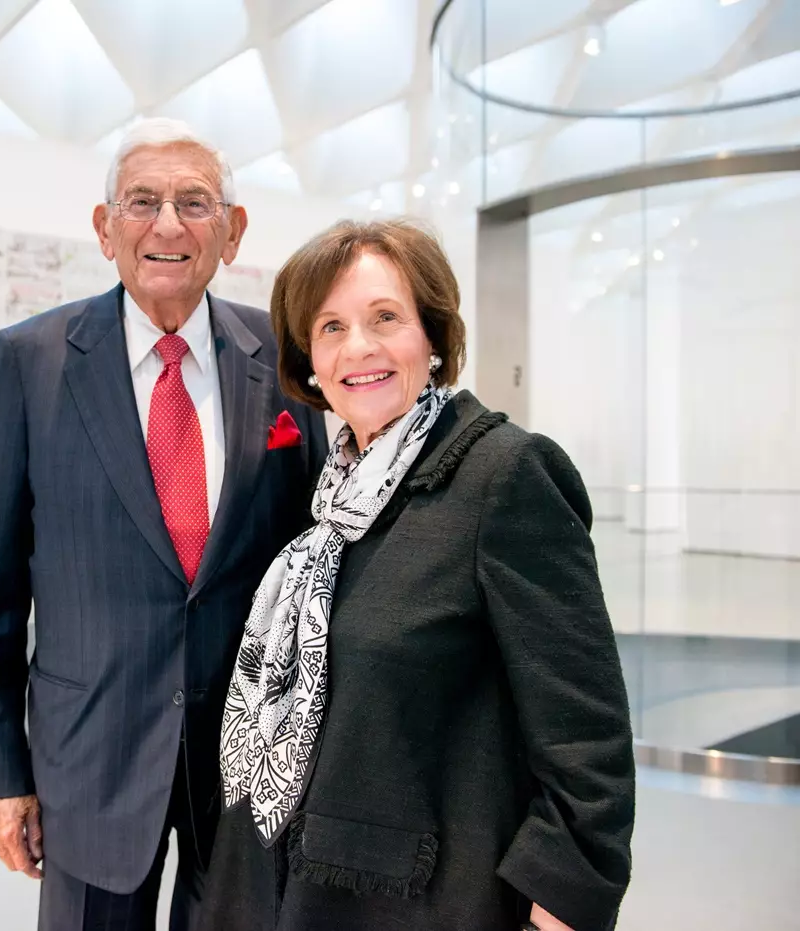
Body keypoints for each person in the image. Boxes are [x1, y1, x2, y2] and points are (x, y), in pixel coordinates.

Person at [199, 219, 635, 931]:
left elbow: (586, 743)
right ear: (309, 359)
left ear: (432, 338)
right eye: (331, 326)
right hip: (293, 890)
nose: (359, 347)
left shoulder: (503, 474)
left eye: (385, 318)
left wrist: (558, 910)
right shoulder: (334, 499)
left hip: (424, 900)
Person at [0, 118, 329, 931]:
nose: (168, 224)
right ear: (105, 228)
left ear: (231, 232)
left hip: (243, 764)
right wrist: (0, 773)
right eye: (143, 201)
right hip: (88, 757)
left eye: (196, 203)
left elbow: (314, 566)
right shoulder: (33, 359)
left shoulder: (284, 357)